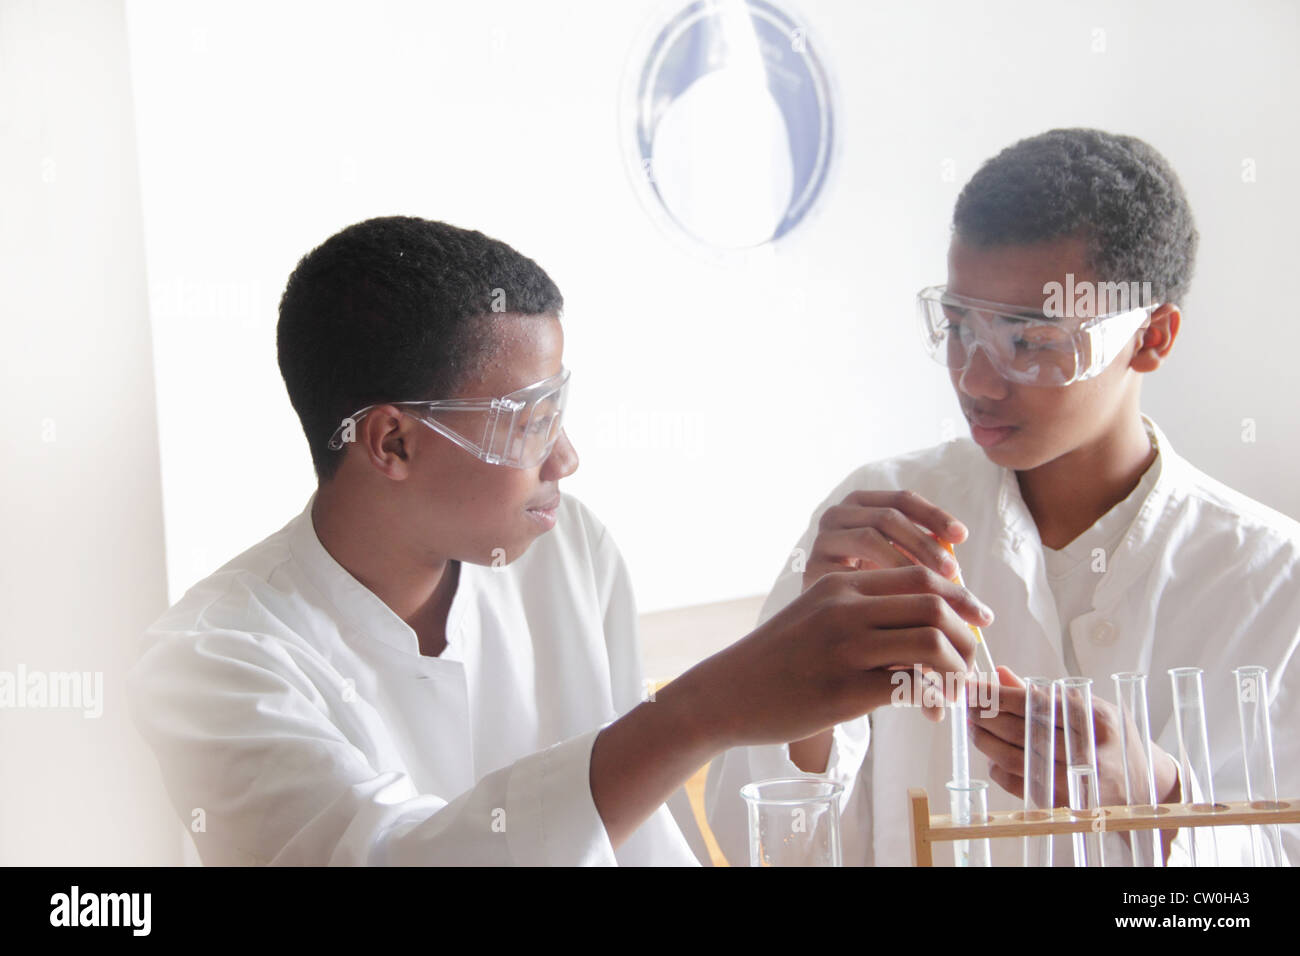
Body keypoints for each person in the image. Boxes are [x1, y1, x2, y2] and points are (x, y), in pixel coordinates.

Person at [127, 215, 993, 866]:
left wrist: (777, 720)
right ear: (391, 442)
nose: (568, 459)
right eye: (531, 422)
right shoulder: (215, 662)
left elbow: (647, 846)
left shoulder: (567, 549)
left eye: (561, 411)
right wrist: (703, 708)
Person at [707, 128, 1300, 867]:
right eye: (959, 327)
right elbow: (757, 846)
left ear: (1151, 338)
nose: (977, 380)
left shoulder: (1276, 584)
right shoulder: (879, 518)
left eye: (1032, 340)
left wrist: (1159, 799)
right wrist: (803, 682)